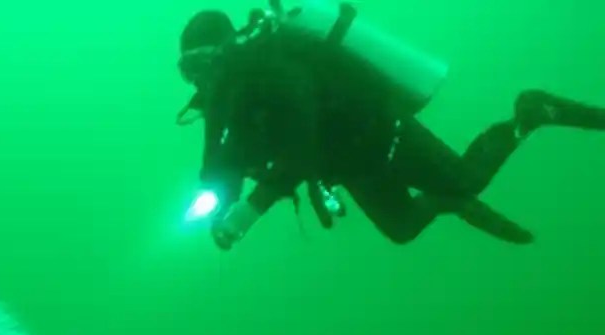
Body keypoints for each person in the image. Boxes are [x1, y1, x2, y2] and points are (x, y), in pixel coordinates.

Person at [178, 6, 605, 249]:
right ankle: (444, 200)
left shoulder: (275, 68)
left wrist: (247, 215)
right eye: (187, 69)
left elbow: (301, 143)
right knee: (402, 229)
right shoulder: (226, 95)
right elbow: (225, 156)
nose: (197, 78)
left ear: (226, 49)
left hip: (384, 134)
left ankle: (528, 114)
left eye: (199, 64)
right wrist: (220, 200)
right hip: (351, 166)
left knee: (469, 179)